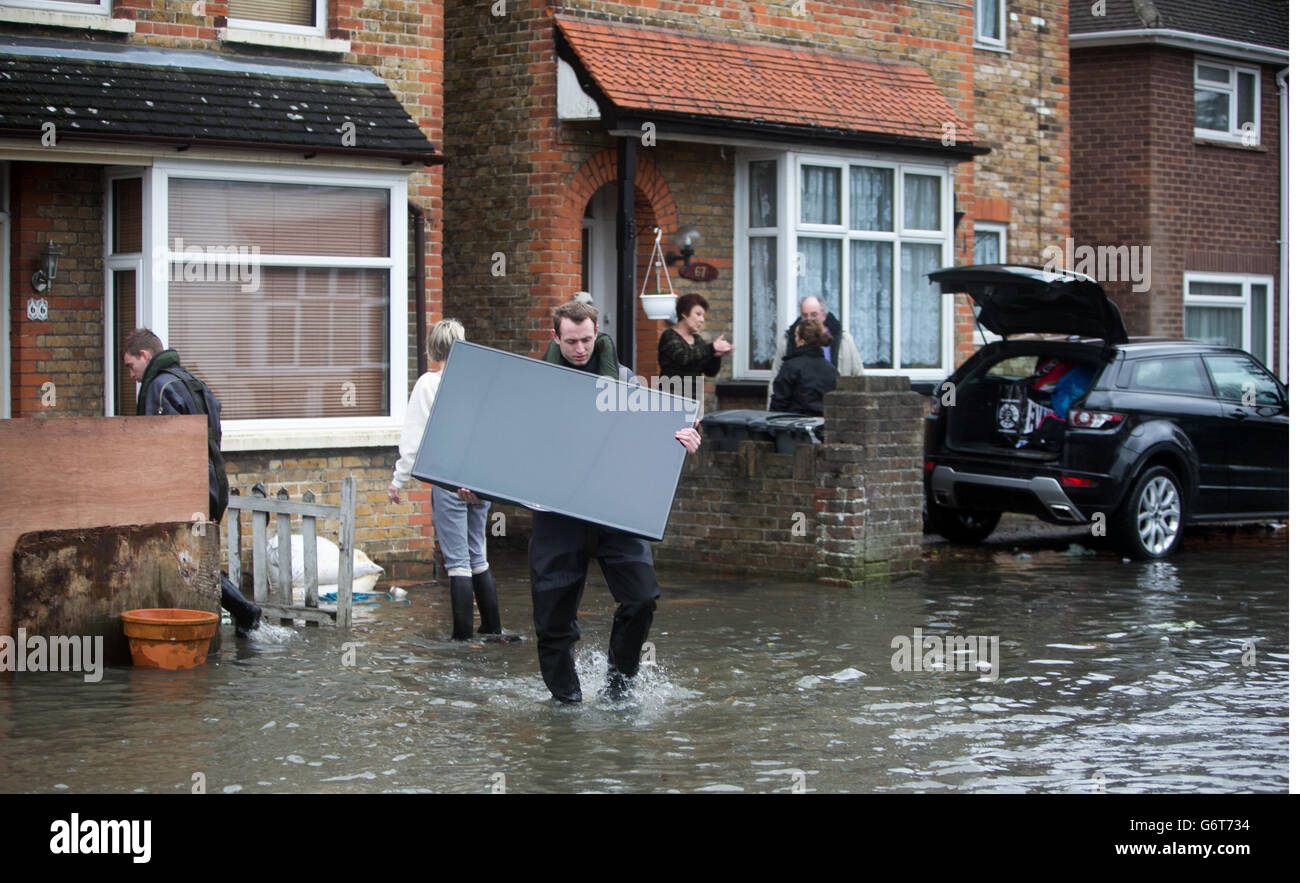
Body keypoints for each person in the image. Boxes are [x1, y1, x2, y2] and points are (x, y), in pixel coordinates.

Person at [461, 301, 700, 703]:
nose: (580, 349)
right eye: (571, 341)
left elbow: (648, 437)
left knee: (642, 598)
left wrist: (685, 442)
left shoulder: (625, 380)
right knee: (552, 618)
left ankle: (618, 689)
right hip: (557, 515)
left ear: (597, 333)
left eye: (587, 339)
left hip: (615, 511)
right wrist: (477, 485)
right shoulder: (534, 384)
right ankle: (566, 701)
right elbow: (507, 443)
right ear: (555, 337)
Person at [122, 328, 261, 637]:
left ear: (145, 356)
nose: (132, 376)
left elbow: (156, 446)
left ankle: (244, 611)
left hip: (188, 485)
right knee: (194, 555)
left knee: (189, 558)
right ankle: (226, 618)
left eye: (131, 366)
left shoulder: (159, 387)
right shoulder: (193, 381)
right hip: (214, 481)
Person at [388, 319, 500, 640]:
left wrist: (399, 481)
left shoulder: (428, 384)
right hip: (480, 479)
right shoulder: (480, 383)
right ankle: (492, 628)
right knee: (478, 552)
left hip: (449, 478)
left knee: (457, 561)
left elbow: (413, 442)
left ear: (433, 348)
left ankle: (462, 637)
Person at [767, 296, 865, 407]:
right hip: (795, 415)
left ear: (824, 315)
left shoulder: (844, 340)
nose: (809, 319)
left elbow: (859, 377)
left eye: (814, 314)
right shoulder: (787, 339)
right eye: (804, 315)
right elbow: (775, 379)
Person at [657, 292, 734, 403]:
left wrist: (716, 356)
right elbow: (684, 358)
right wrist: (712, 347)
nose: (702, 320)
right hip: (669, 401)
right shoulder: (669, 336)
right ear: (684, 313)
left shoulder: (698, 340)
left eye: (703, 316)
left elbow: (710, 372)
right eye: (698, 314)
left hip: (692, 403)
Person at [770, 319, 838, 415]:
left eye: (796, 336)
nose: (794, 339)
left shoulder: (791, 366)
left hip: (794, 426)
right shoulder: (832, 370)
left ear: (801, 341)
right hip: (823, 427)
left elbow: (779, 402)